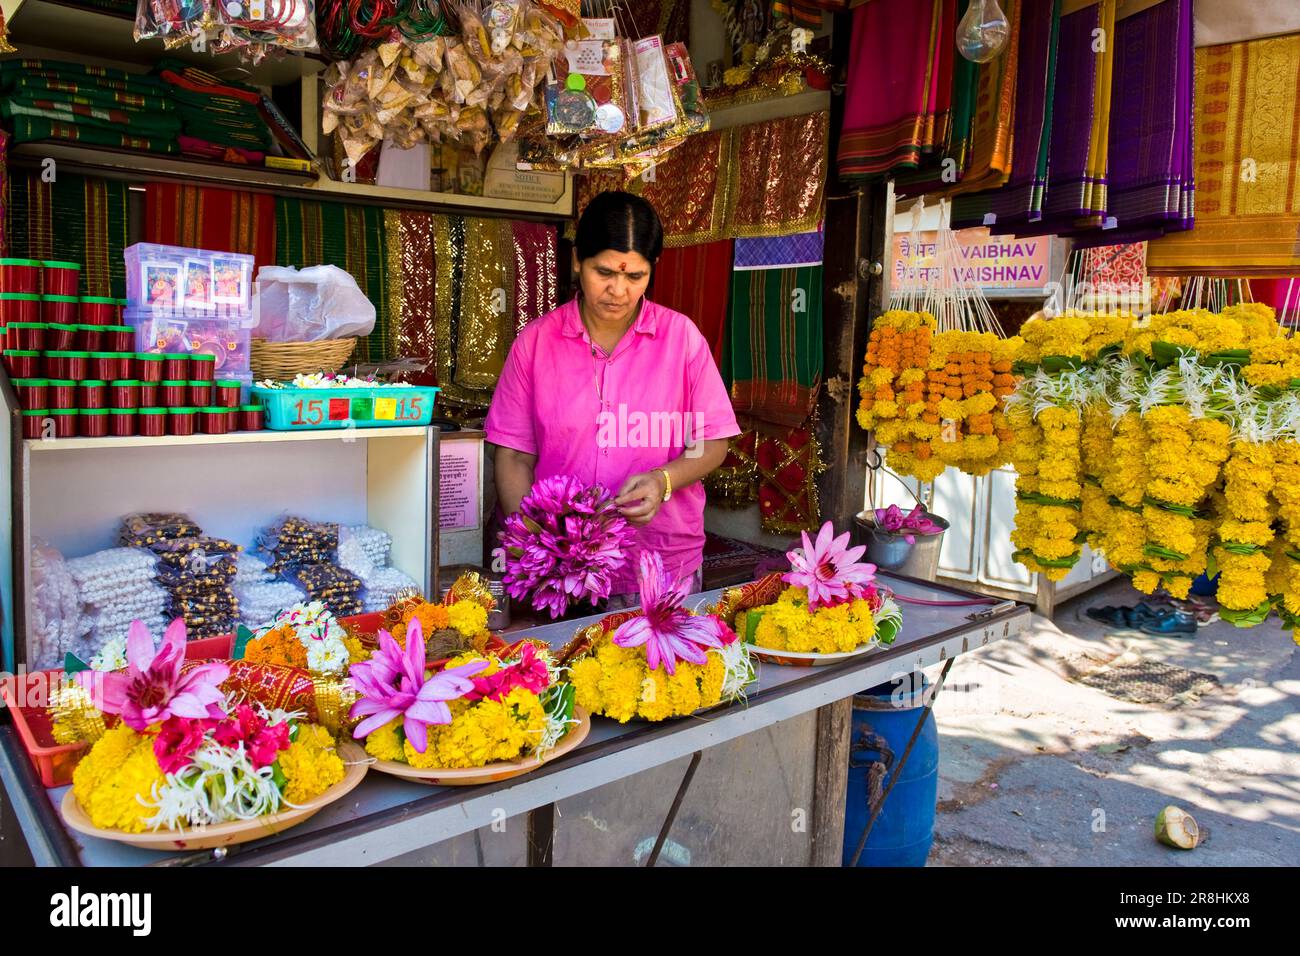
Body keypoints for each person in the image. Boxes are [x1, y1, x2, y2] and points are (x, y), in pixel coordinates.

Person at [485, 190, 740, 604]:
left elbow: (711, 442)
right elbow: (513, 454)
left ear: (651, 270)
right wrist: (538, 543)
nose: (618, 290)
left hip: (657, 564)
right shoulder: (535, 344)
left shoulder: (681, 340)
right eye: (603, 272)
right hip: (561, 571)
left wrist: (664, 480)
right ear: (576, 261)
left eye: (635, 276)